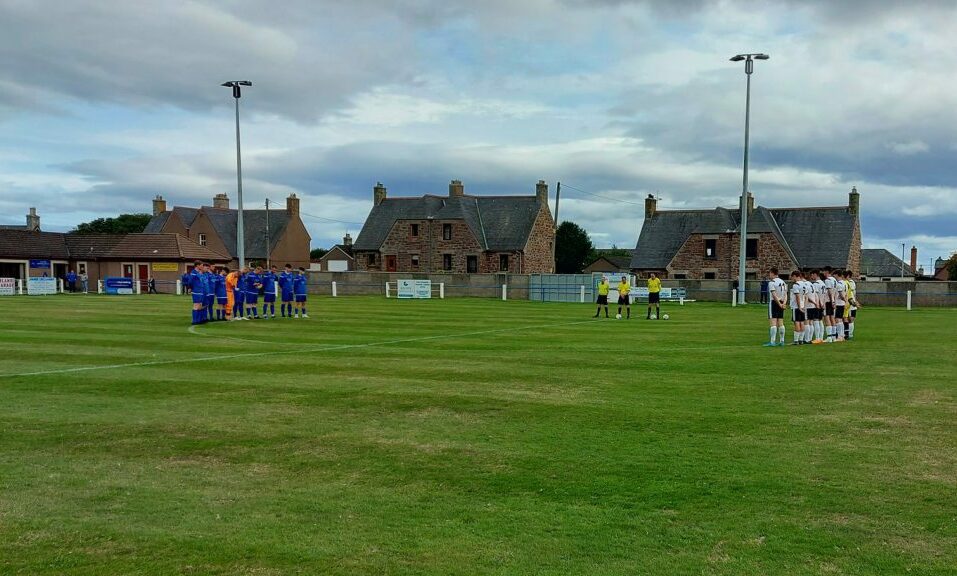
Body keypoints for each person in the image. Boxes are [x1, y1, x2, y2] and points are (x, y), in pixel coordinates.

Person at [765, 267, 787, 347]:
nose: (769, 275)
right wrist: (783, 303)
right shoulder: (783, 282)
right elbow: (785, 294)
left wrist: (779, 304)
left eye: (770, 273)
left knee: (773, 322)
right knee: (781, 322)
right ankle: (782, 341)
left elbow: (774, 295)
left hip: (774, 303)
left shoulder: (772, 282)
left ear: (772, 273)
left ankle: (772, 341)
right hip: (781, 301)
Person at [789, 270, 807, 345]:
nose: (792, 279)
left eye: (792, 277)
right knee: (802, 322)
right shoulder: (804, 284)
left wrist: (799, 306)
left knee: (796, 322)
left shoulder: (796, 285)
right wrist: (804, 306)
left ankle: (796, 340)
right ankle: (801, 340)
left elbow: (797, 297)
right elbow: (806, 296)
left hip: (796, 306)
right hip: (802, 305)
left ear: (795, 276)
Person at [809, 270, 826, 344]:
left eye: (812, 275)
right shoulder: (823, 283)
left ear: (815, 274)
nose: (811, 277)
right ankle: (821, 337)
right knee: (820, 320)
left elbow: (816, 295)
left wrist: (817, 303)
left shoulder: (816, 284)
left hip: (817, 304)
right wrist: (823, 303)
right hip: (822, 303)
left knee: (816, 321)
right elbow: (825, 295)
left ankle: (817, 338)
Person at [833, 269, 847, 341]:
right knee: (840, 319)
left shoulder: (839, 284)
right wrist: (845, 301)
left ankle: (839, 336)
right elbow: (846, 294)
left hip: (838, 303)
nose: (833, 276)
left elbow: (841, 294)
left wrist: (843, 299)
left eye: (834, 275)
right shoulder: (845, 283)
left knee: (838, 319)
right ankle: (842, 335)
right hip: (842, 304)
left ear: (836, 275)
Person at [846, 270, 860, 340]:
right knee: (848, 319)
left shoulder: (850, 283)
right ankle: (848, 333)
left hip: (850, 303)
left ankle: (850, 334)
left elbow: (851, 294)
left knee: (850, 319)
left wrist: (855, 302)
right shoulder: (851, 283)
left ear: (848, 275)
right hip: (851, 302)